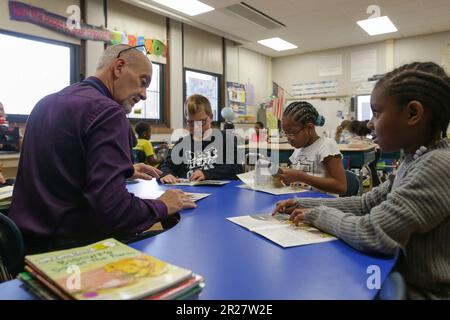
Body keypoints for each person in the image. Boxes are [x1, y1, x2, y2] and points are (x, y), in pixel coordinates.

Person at [274, 62, 450, 299]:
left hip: (421, 292)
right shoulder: (413, 160)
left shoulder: (437, 165)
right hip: (398, 275)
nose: (369, 123)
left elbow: (373, 233)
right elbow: (365, 204)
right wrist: (302, 204)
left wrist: (316, 215)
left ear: (413, 114)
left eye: (376, 112)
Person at [9, 44, 196, 254]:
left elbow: (60, 168)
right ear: (119, 67)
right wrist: (162, 205)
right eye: (143, 82)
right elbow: (114, 209)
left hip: (27, 246)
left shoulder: (44, 103)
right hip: (76, 249)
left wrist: (123, 169)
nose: (144, 95)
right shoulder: (108, 112)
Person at [159, 94, 243, 184]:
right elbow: (166, 166)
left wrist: (207, 174)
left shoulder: (225, 139)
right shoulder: (182, 143)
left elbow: (236, 168)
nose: (197, 127)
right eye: (191, 122)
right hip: (188, 193)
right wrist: (166, 174)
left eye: (202, 122)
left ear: (211, 117)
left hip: (220, 193)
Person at [278, 101, 347, 195]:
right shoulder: (298, 149)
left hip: (323, 206)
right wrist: (286, 178)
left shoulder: (326, 146)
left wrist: (300, 176)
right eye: (285, 133)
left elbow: (341, 187)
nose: (288, 138)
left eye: (292, 133)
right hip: (300, 202)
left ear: (309, 128)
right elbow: (297, 182)